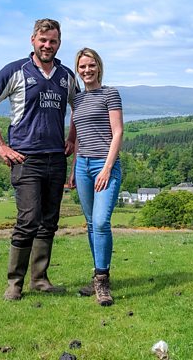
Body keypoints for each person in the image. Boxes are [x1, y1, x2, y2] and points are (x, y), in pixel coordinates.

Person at [0, 18, 79, 301]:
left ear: (59, 43)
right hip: (26, 158)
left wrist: (72, 139)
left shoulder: (66, 75)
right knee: (28, 219)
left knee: (49, 221)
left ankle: (40, 280)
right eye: (43, 40)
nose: (47, 45)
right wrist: (0, 145)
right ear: (33, 40)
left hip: (56, 158)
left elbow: (79, 108)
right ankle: (14, 283)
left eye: (53, 41)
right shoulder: (15, 70)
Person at [67, 47, 123, 306]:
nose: (87, 70)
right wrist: (73, 169)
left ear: (99, 67)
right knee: (90, 223)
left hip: (104, 165)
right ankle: (97, 275)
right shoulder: (77, 100)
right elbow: (78, 137)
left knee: (101, 222)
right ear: (77, 70)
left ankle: (102, 281)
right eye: (82, 67)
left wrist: (107, 168)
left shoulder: (110, 94)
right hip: (83, 166)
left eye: (91, 65)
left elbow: (118, 132)